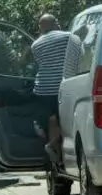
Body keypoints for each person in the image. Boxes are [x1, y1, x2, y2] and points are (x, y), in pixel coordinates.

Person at [30, 13, 79, 165]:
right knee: (67, 121)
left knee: (52, 118)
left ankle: (56, 155)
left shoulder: (35, 45)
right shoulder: (69, 37)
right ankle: (53, 146)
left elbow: (41, 64)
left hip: (43, 89)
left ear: (41, 27)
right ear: (56, 23)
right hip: (62, 86)